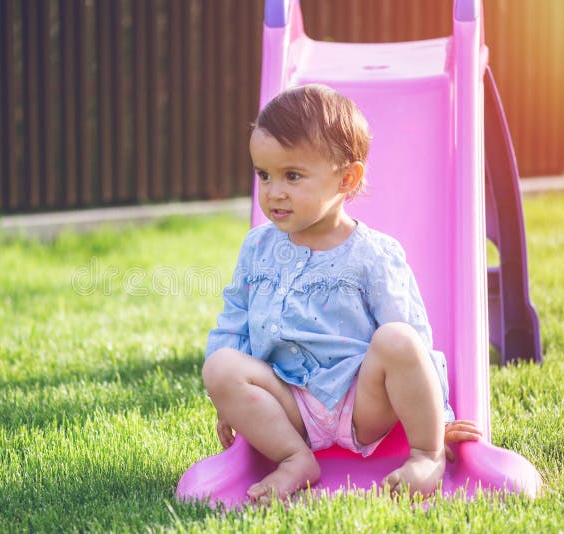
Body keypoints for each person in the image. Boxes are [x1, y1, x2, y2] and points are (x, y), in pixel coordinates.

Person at [202, 84, 481, 503]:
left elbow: (415, 346)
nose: (274, 191)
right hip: (289, 404)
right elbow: (234, 321)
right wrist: (228, 400)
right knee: (220, 365)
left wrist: (439, 417)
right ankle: (295, 459)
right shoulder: (257, 248)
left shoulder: (373, 255)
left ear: (347, 178)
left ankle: (427, 455)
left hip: (361, 402)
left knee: (397, 337)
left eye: (292, 176)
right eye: (264, 175)